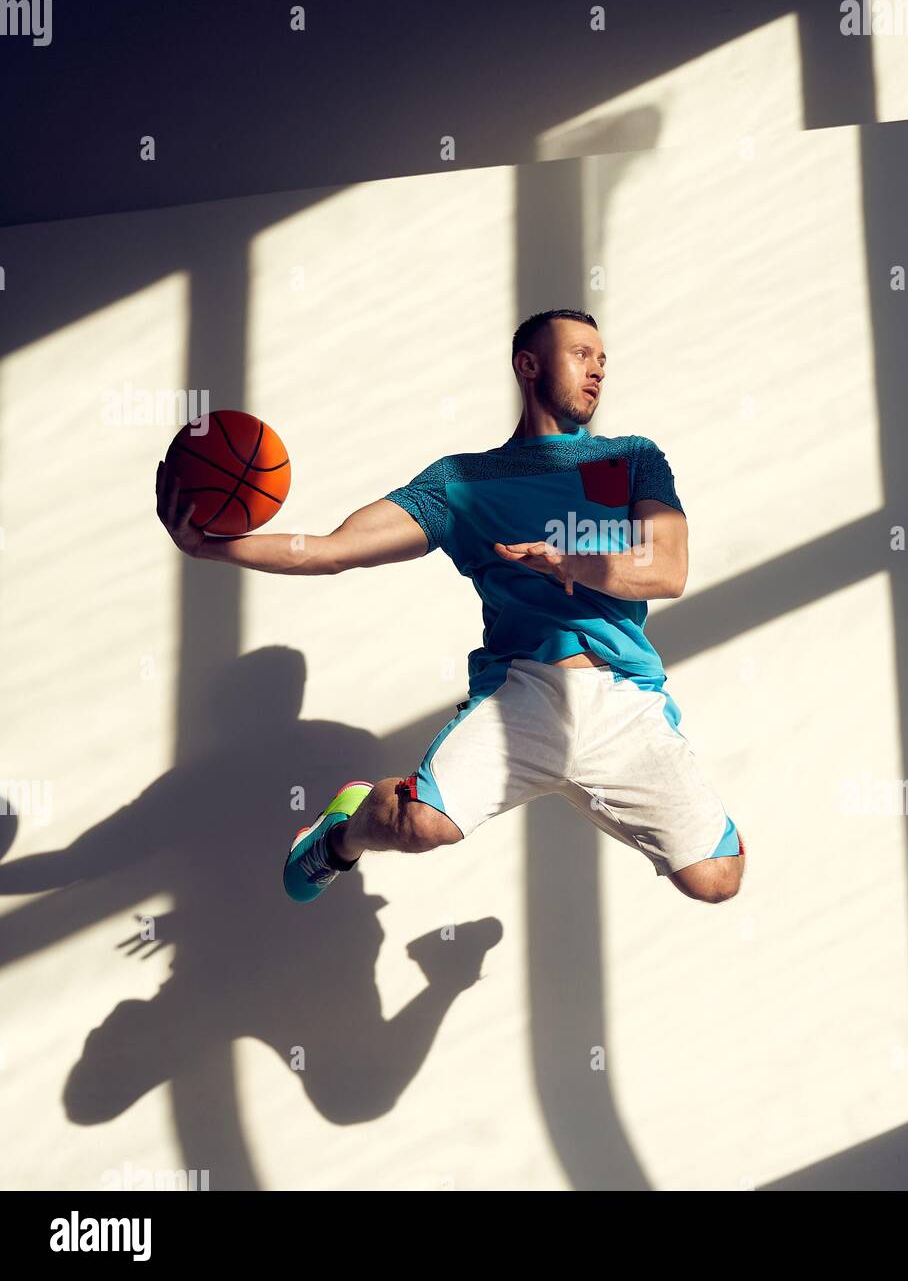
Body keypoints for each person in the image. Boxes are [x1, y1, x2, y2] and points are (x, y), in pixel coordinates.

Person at [156, 308, 744, 905]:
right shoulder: (461, 482)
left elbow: (668, 570)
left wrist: (574, 562)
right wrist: (213, 547)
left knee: (716, 881)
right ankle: (341, 831)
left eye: (602, 359)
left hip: (624, 699)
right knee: (420, 825)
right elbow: (337, 550)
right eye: (580, 354)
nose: (597, 371)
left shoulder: (633, 459)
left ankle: (629, 799)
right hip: (526, 692)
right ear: (529, 365)